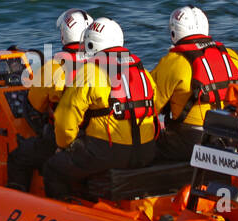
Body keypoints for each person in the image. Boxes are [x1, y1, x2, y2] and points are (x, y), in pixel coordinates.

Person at [42, 17, 158, 200]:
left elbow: (65, 118)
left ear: (90, 44)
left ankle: (66, 215)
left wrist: (64, 146)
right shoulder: (141, 70)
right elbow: (155, 107)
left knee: (53, 167)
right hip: (147, 151)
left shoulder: (90, 72)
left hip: (108, 153)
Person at [151, 5, 238, 162]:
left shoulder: (172, 62)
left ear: (174, 33)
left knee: (149, 148)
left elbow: (149, 106)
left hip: (192, 141)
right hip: (235, 135)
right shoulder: (232, 56)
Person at [6, 9, 92, 191]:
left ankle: (18, 202)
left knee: (19, 156)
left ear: (64, 36)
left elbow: (33, 104)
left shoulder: (54, 67)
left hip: (64, 139)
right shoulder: (103, 63)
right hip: (98, 139)